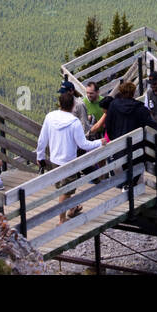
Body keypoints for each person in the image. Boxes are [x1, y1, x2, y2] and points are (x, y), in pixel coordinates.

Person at [36, 90, 102, 222]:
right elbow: (83, 144)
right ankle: (61, 220)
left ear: (60, 104)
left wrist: (40, 156)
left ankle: (72, 209)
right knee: (66, 191)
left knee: (63, 188)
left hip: (55, 159)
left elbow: (42, 139)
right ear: (73, 106)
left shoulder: (50, 117)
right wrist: (99, 142)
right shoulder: (74, 122)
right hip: (69, 161)